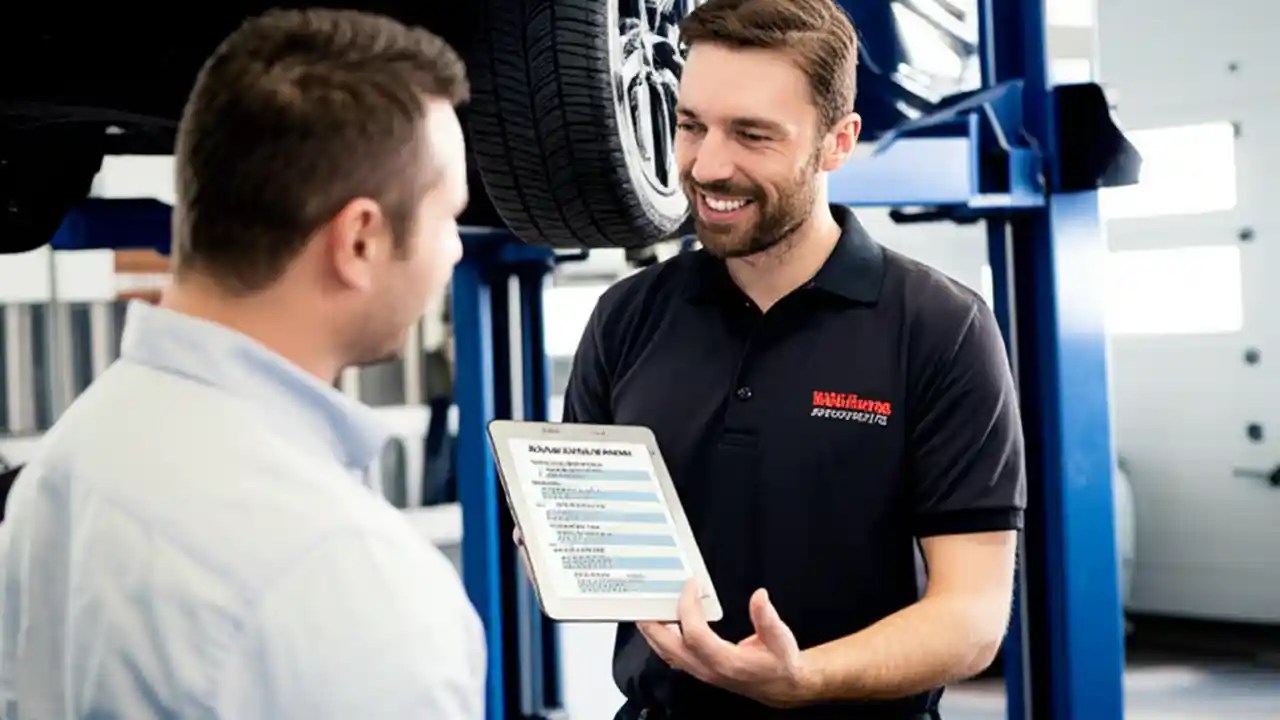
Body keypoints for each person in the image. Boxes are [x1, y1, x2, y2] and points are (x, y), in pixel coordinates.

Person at [0, 9, 484, 719]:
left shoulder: (65, 465)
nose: (458, 249)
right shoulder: (357, 582)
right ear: (358, 241)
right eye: (449, 218)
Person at [560, 0, 1026, 718]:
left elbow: (971, 618)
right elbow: (595, 552)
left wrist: (805, 677)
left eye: (752, 135)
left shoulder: (940, 327)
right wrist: (564, 545)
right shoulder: (626, 317)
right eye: (691, 126)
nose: (708, 166)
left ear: (838, 142)